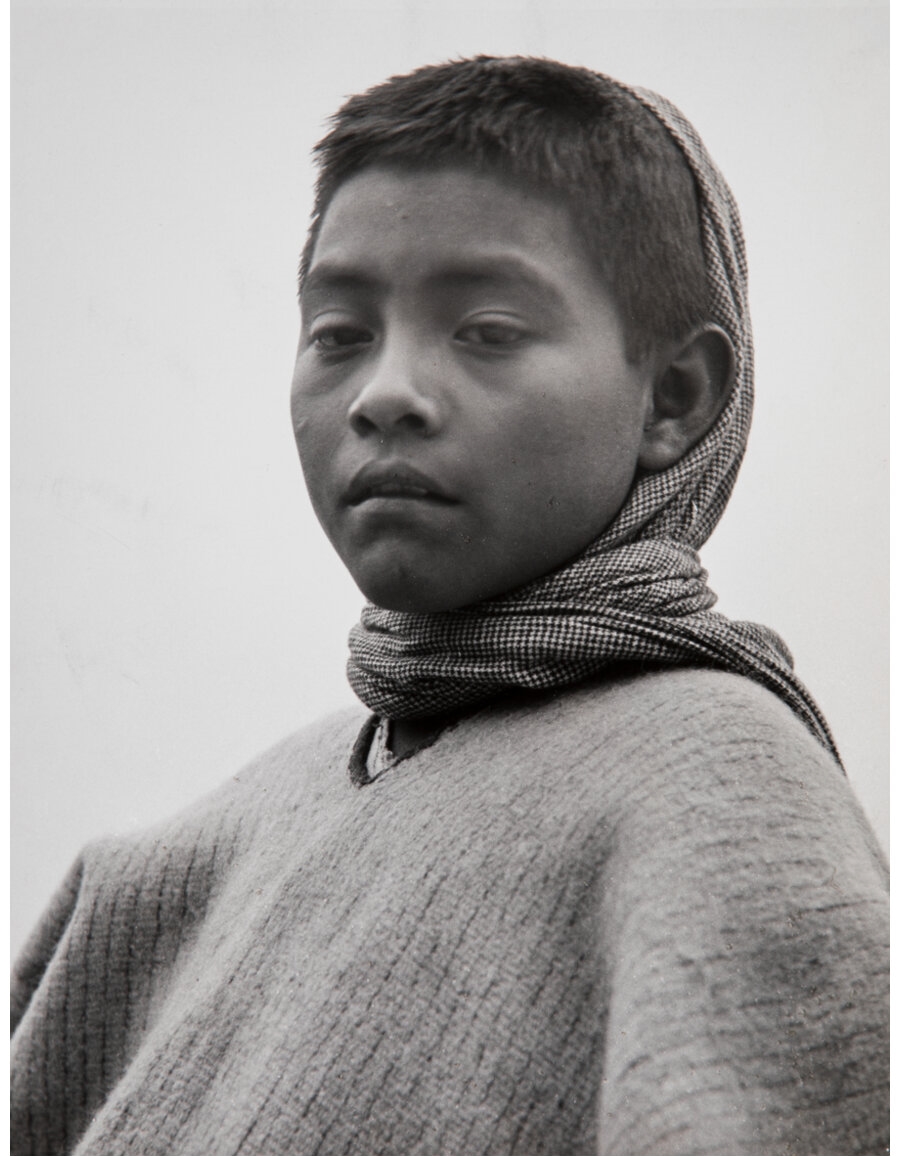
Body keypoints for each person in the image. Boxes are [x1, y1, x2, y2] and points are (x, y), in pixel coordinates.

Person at [11, 56, 888, 1156]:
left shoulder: (718, 795)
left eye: (485, 331)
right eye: (340, 333)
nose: (383, 394)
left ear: (674, 398)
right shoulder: (152, 882)